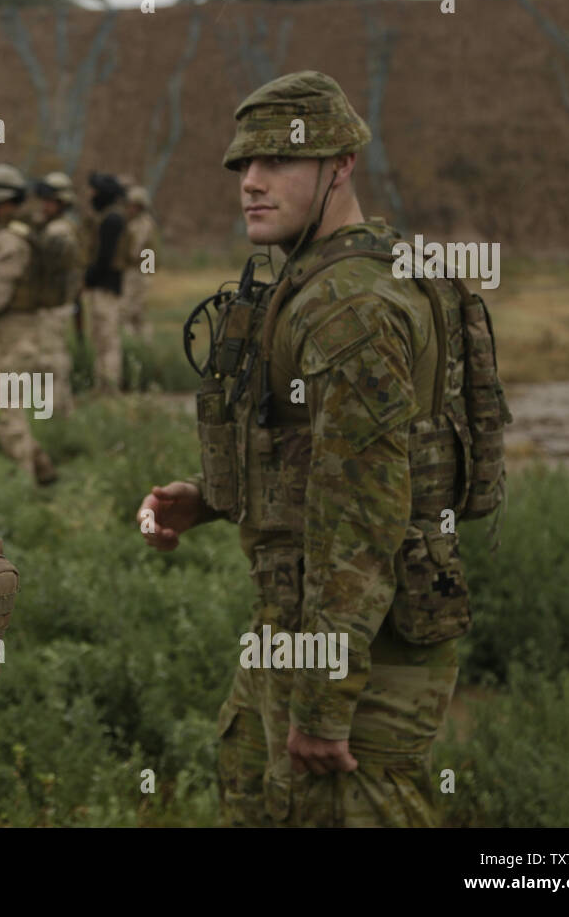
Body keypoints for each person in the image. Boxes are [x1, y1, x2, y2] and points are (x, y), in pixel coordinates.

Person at [139, 71, 496, 827]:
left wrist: (325, 700)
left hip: (356, 644)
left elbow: (364, 517)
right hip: (308, 621)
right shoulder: (335, 274)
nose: (253, 183)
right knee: (254, 788)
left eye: (279, 163)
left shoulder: (351, 306)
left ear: (341, 166)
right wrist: (211, 498)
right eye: (243, 165)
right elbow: (333, 454)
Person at [0, 162, 58, 484]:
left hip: (17, 334)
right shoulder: (17, 233)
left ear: (2, 201)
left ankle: (25, 484)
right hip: (6, 333)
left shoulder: (10, 240)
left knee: (6, 408)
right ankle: (43, 468)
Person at [31, 171, 84, 418]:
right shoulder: (62, 227)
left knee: (50, 361)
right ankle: (60, 411)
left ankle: (56, 413)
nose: (44, 205)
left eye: (50, 201)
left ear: (62, 202)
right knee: (54, 358)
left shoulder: (59, 232)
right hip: (58, 303)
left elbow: (44, 265)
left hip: (54, 305)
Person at [81, 172, 128, 393]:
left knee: (107, 339)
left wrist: (88, 279)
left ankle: (109, 387)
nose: (90, 196)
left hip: (106, 287)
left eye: (94, 192)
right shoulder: (109, 217)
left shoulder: (112, 219)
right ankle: (102, 385)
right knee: (100, 338)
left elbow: (104, 257)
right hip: (103, 286)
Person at [120, 184, 159, 340]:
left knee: (130, 311)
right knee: (137, 312)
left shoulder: (141, 224)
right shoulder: (142, 222)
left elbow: (134, 251)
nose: (129, 209)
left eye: (132, 206)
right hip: (142, 271)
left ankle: (134, 344)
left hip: (137, 272)